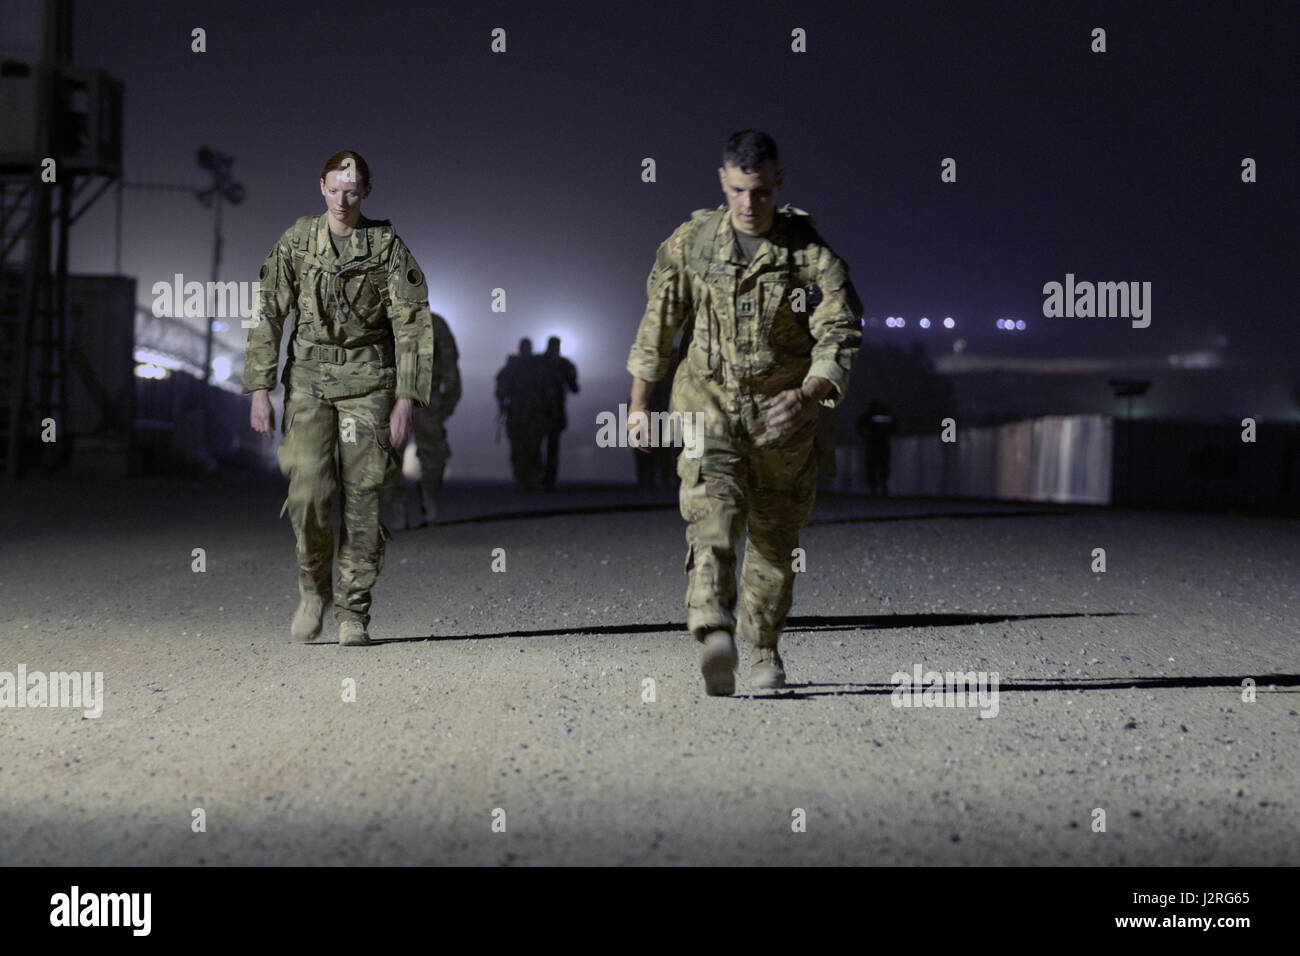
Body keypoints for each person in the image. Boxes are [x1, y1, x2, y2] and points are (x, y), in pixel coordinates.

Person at [626, 129, 863, 695]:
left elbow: (839, 330)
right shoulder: (693, 243)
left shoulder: (808, 254)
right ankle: (712, 628)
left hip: (784, 416)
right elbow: (659, 324)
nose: (748, 205)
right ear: (722, 181)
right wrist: (637, 405)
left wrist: (809, 394)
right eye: (737, 191)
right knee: (713, 509)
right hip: (708, 400)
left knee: (775, 541)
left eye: (759, 191)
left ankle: (761, 651)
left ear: (777, 182)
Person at [244, 150, 434, 647]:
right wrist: (260, 388)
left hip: (370, 382)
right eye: (334, 188)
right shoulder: (298, 242)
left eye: (352, 189)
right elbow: (268, 312)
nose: (343, 198)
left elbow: (411, 325)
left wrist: (406, 398)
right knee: (307, 491)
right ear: (321, 188)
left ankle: (353, 609)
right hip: (308, 379)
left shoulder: (386, 247)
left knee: (363, 499)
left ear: (366, 191)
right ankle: (313, 590)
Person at [380, 312, 461, 528]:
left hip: (427, 399)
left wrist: (446, 405)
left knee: (433, 453)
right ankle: (397, 506)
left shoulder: (434, 324)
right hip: (390, 399)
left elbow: (450, 365)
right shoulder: (382, 319)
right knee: (386, 455)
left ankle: (429, 498)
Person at [495, 338, 545, 488]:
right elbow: (501, 390)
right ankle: (523, 478)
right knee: (520, 448)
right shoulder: (513, 369)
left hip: (532, 414)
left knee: (532, 448)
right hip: (518, 414)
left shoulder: (536, 368)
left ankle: (530, 477)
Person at [539, 335, 579, 490]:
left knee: (551, 446)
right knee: (539, 446)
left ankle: (548, 479)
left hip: (553, 410)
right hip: (539, 409)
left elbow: (574, 387)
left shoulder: (563, 365)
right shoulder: (544, 363)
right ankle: (541, 477)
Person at [856, 398, 897, 496]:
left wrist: (865, 436)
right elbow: (895, 426)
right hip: (882, 444)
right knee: (883, 466)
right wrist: (889, 435)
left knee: (873, 467)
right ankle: (882, 486)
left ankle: (874, 488)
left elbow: (859, 426)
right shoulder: (886, 415)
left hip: (873, 444)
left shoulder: (868, 416)